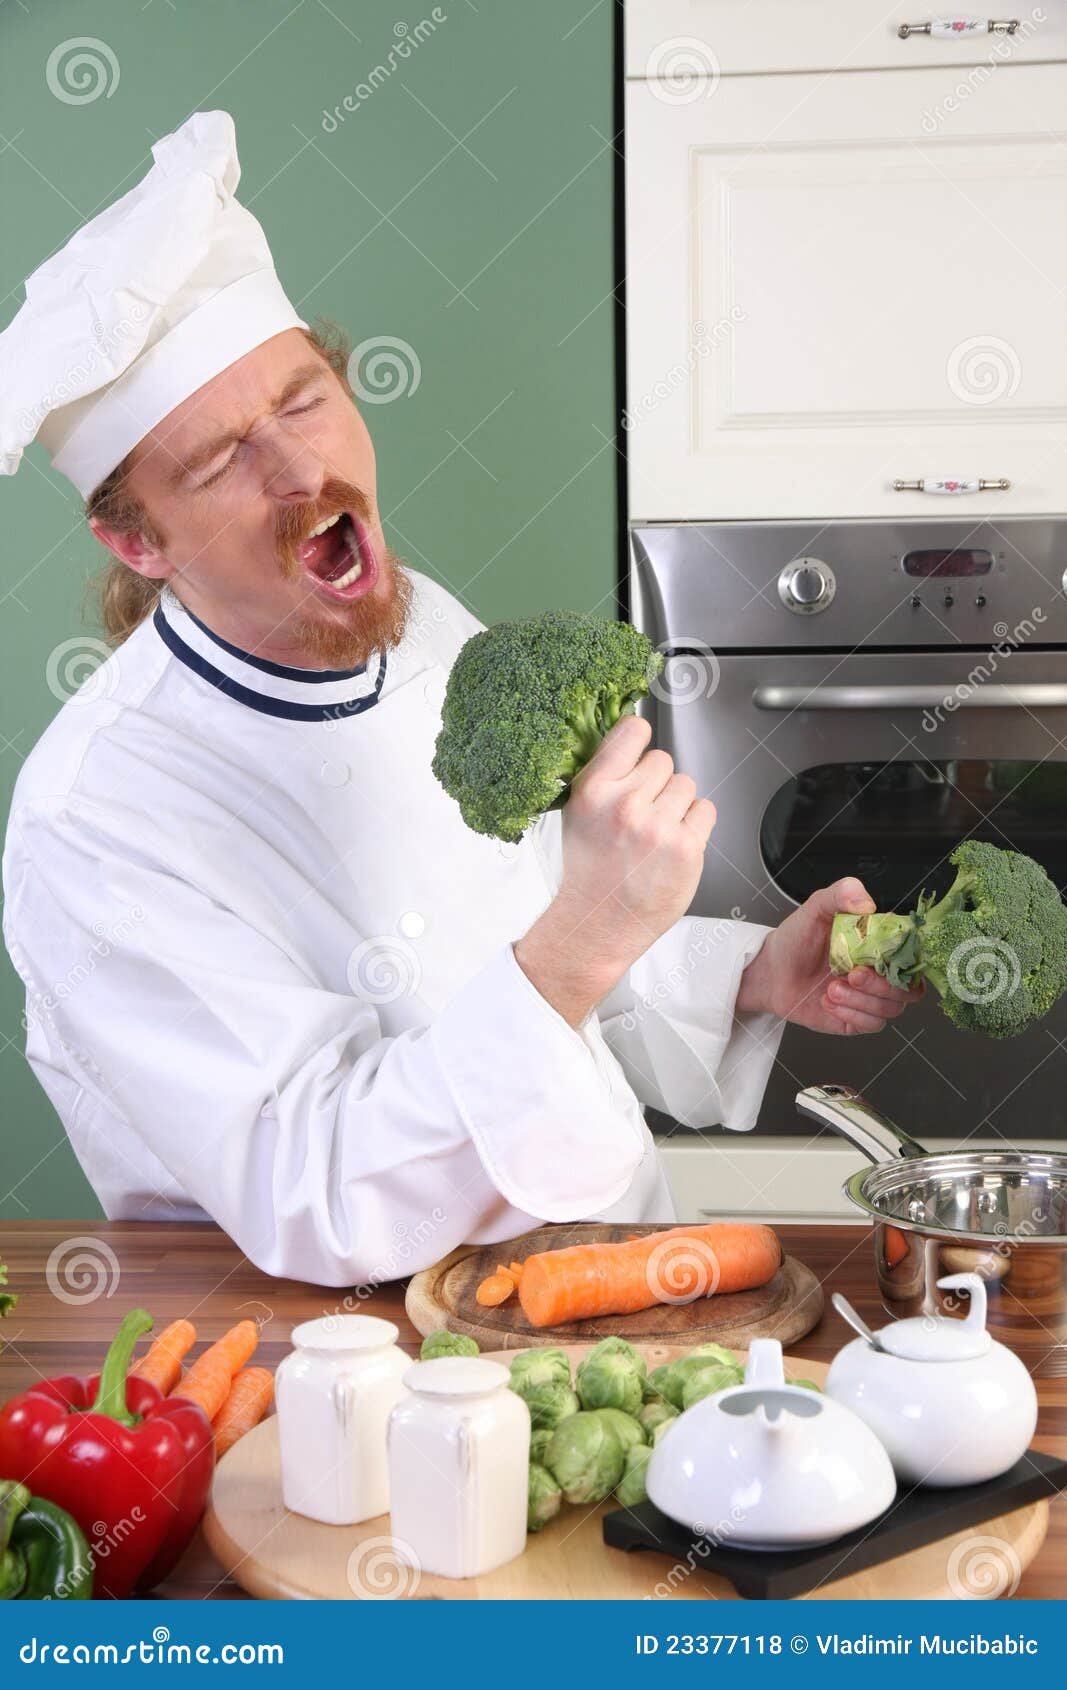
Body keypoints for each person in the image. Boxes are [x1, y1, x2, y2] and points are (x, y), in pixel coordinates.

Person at [0, 113, 914, 1286]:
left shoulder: (424, 625)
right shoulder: (95, 821)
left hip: (618, 1281)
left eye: (303, 400)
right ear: (139, 542)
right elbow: (316, 1189)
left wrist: (747, 977)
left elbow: (529, 949)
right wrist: (584, 937)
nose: (301, 471)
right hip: (342, 1350)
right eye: (222, 460)